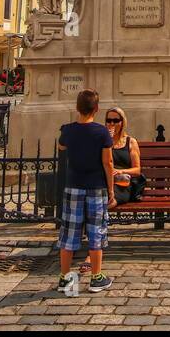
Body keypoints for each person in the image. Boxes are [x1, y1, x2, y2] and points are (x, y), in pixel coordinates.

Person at [56, 89, 115, 294]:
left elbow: (61, 146)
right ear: (97, 109)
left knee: (69, 233)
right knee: (96, 232)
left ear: (77, 108)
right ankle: (96, 278)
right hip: (96, 187)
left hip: (73, 187)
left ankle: (65, 279)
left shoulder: (69, 131)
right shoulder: (101, 132)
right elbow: (108, 163)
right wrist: (111, 189)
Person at [106, 106, 142, 206]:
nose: (112, 124)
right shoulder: (103, 142)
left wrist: (120, 171)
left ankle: (101, 214)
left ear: (122, 122)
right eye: (109, 121)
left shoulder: (130, 142)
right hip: (107, 182)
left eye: (116, 120)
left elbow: (137, 170)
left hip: (123, 183)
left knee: (111, 198)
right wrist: (108, 141)